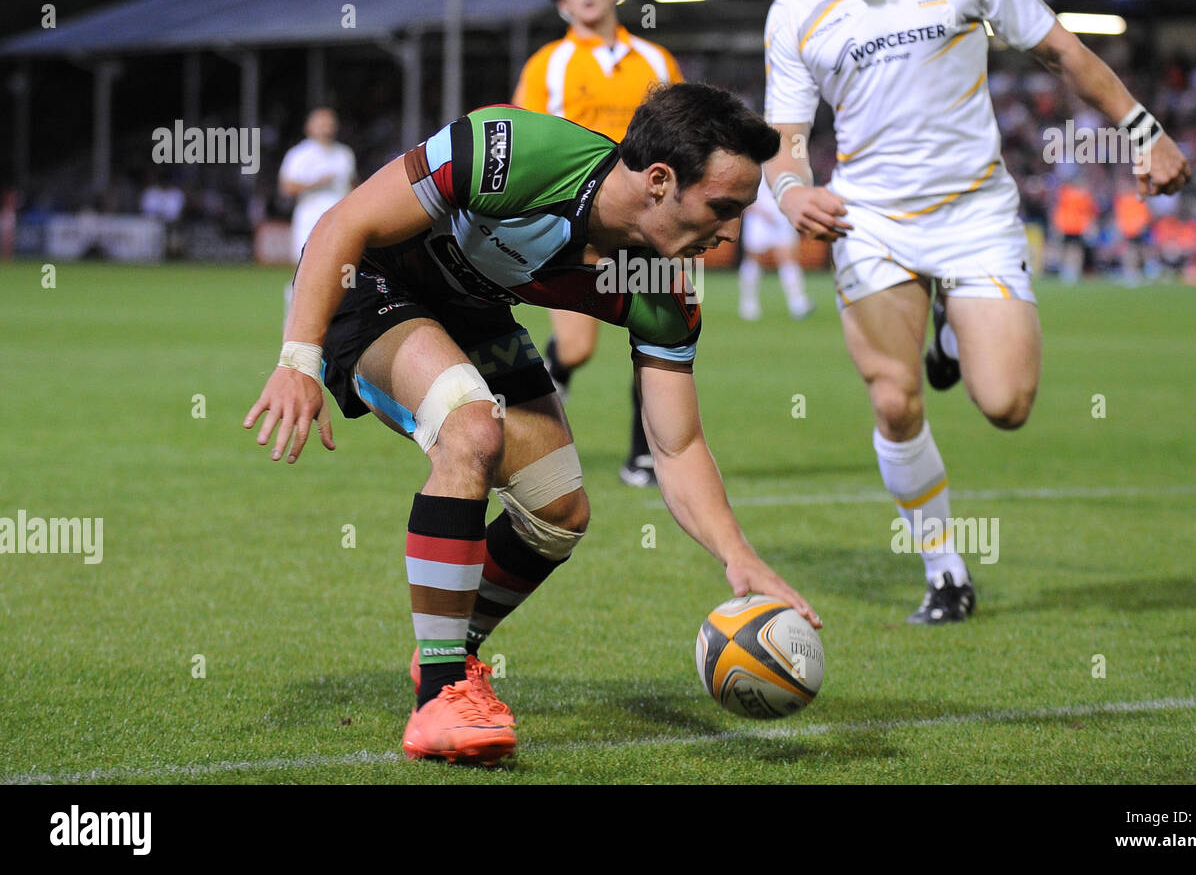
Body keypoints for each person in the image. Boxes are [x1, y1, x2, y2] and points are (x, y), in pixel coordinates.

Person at [243, 83, 821, 766]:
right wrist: (298, 359)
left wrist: (736, 552)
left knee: (558, 510)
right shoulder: (516, 151)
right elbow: (345, 222)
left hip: (472, 312)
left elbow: (678, 443)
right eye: (723, 207)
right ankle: (440, 696)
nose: (731, 231)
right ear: (660, 181)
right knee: (471, 431)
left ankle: (452, 651)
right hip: (363, 281)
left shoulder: (663, 286)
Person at [763, 0, 1190, 624]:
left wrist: (1144, 130)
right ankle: (946, 570)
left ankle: (952, 336)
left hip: (974, 214)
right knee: (894, 400)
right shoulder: (793, 12)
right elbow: (784, 144)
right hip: (873, 220)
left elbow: (1059, 48)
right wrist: (791, 194)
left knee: (1006, 405)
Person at [513, 0, 684, 487]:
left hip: (648, 224)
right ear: (562, 2)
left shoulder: (656, 60)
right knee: (581, 345)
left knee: (658, 330)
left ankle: (643, 456)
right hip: (572, 225)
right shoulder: (548, 64)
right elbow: (519, 138)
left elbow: (683, 139)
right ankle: (554, 376)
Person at [278, 108, 355, 311]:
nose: (326, 128)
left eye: (329, 123)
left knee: (342, 270)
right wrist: (315, 183)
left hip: (340, 220)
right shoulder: (299, 154)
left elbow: (353, 186)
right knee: (305, 270)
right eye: (321, 123)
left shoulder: (344, 154)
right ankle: (295, 323)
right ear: (309, 127)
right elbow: (287, 187)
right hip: (309, 219)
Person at [737, 176, 815, 321]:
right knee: (754, 259)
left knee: (788, 258)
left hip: (781, 215)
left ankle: (798, 303)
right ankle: (748, 304)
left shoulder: (783, 156)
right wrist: (755, 208)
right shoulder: (753, 158)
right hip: (758, 217)